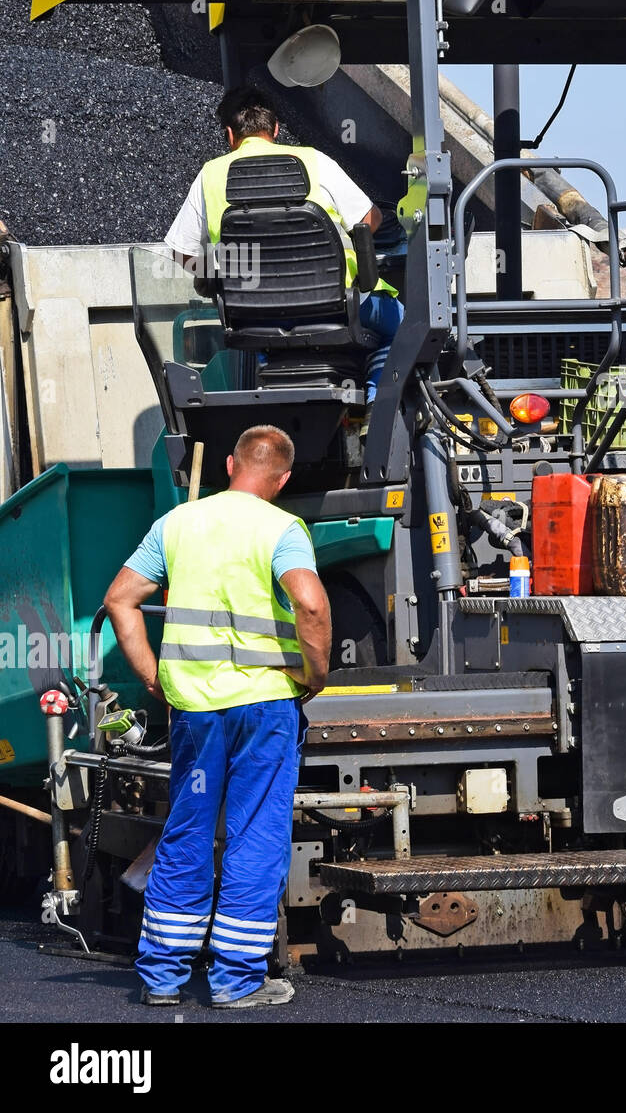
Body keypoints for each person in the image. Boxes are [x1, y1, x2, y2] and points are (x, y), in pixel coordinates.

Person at [103, 424, 331, 1008]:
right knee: (255, 834)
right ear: (280, 480)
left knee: (187, 833)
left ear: (230, 464)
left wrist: (154, 676)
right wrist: (316, 673)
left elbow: (120, 599)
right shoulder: (281, 528)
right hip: (263, 706)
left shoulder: (177, 523)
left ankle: (161, 978)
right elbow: (308, 601)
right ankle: (235, 980)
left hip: (195, 710)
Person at [165, 85, 404, 404]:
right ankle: (376, 406)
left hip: (254, 316)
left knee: (268, 345)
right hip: (337, 306)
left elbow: (182, 251)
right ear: (276, 129)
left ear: (230, 135)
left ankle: (274, 399)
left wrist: (219, 277)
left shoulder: (210, 176)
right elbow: (369, 219)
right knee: (403, 324)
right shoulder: (314, 161)